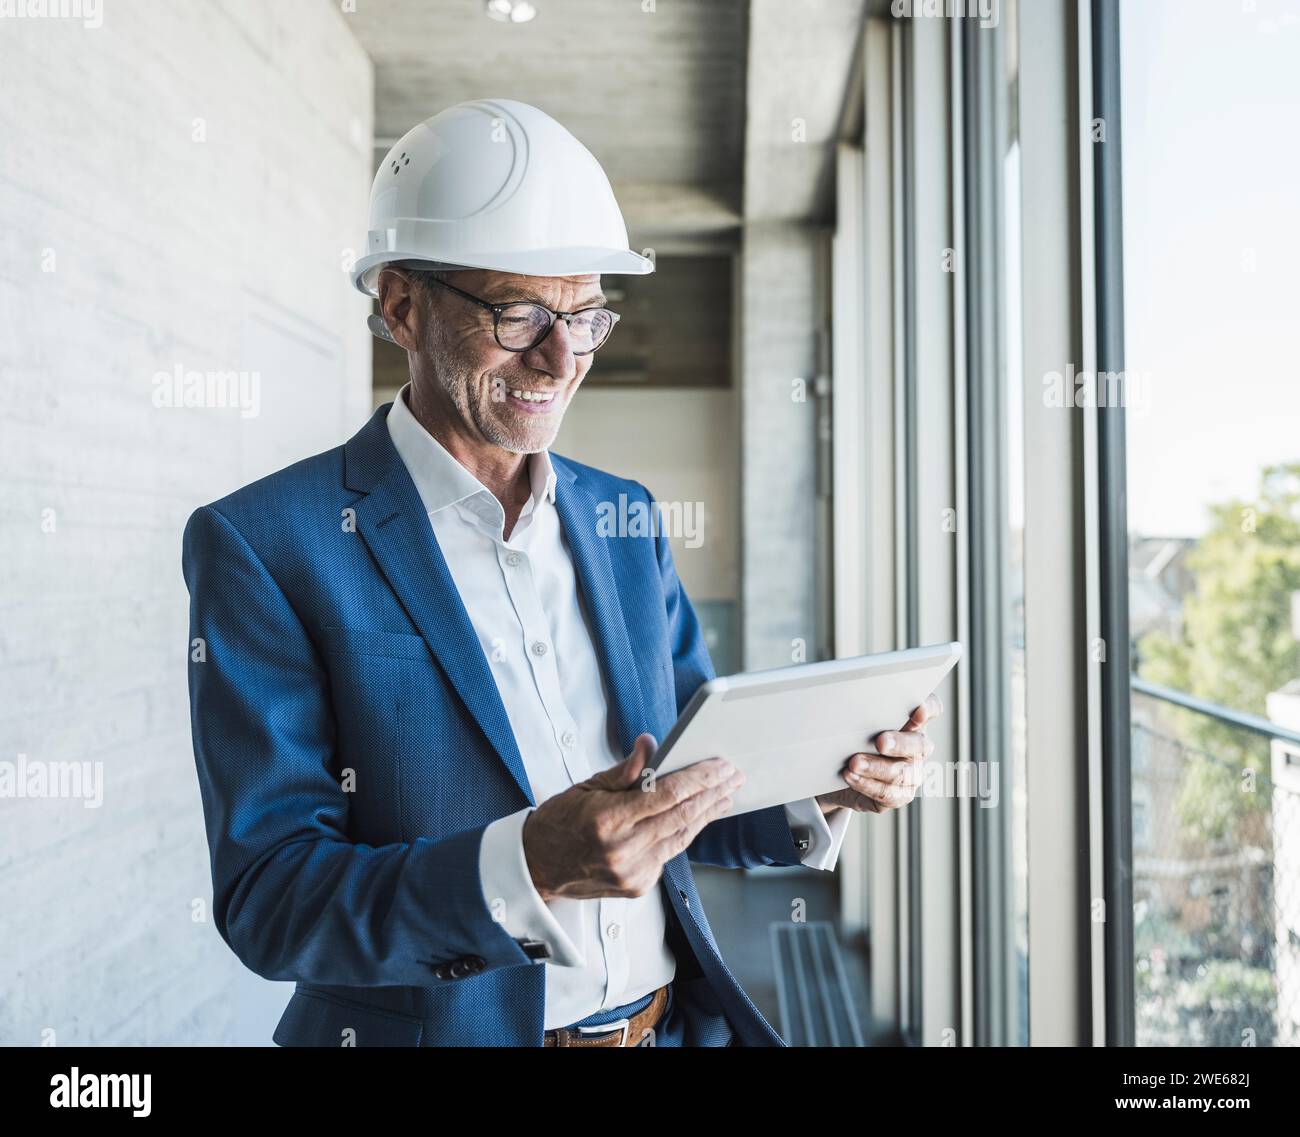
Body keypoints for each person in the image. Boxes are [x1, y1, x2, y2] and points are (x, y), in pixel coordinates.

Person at [182, 98, 941, 1047]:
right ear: (403, 307)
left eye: (586, 316)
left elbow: (688, 787)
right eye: (519, 313)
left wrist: (825, 781)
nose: (560, 358)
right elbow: (272, 898)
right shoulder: (268, 543)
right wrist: (523, 867)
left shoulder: (623, 519)